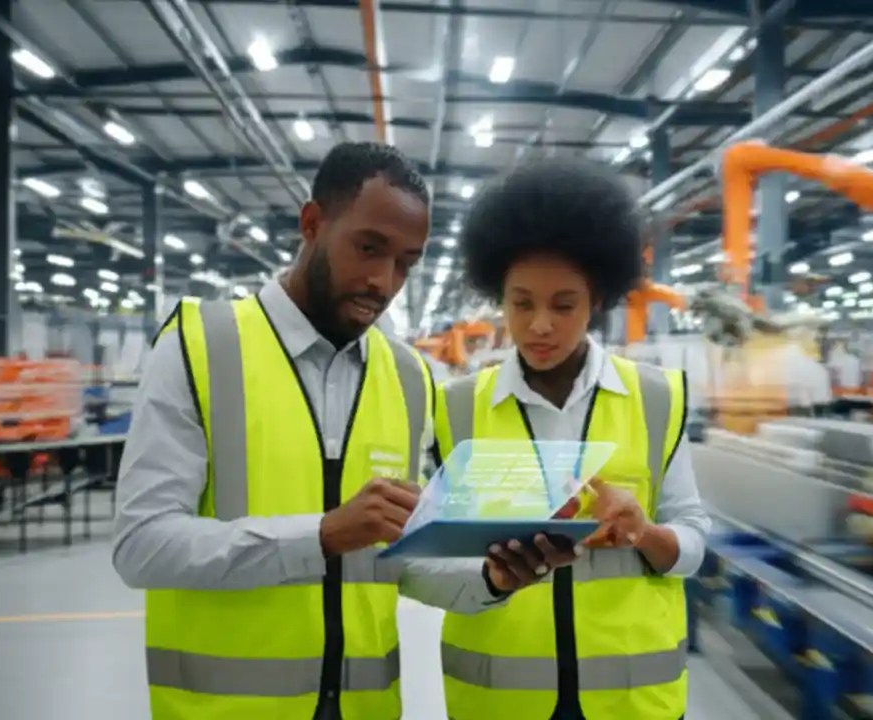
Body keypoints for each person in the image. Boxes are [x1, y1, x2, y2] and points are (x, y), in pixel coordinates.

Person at [111, 142, 551, 720]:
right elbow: (141, 546)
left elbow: (398, 560)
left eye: (405, 263)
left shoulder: (408, 376)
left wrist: (490, 578)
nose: (382, 281)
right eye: (368, 248)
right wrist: (320, 535)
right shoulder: (201, 347)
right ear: (312, 223)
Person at [426, 157, 713, 720]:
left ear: (597, 300)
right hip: (498, 699)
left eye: (564, 305)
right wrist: (489, 576)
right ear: (498, 297)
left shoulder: (655, 401)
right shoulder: (455, 409)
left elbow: (694, 542)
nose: (538, 326)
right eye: (521, 303)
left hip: (630, 700)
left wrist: (646, 533)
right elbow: (423, 563)